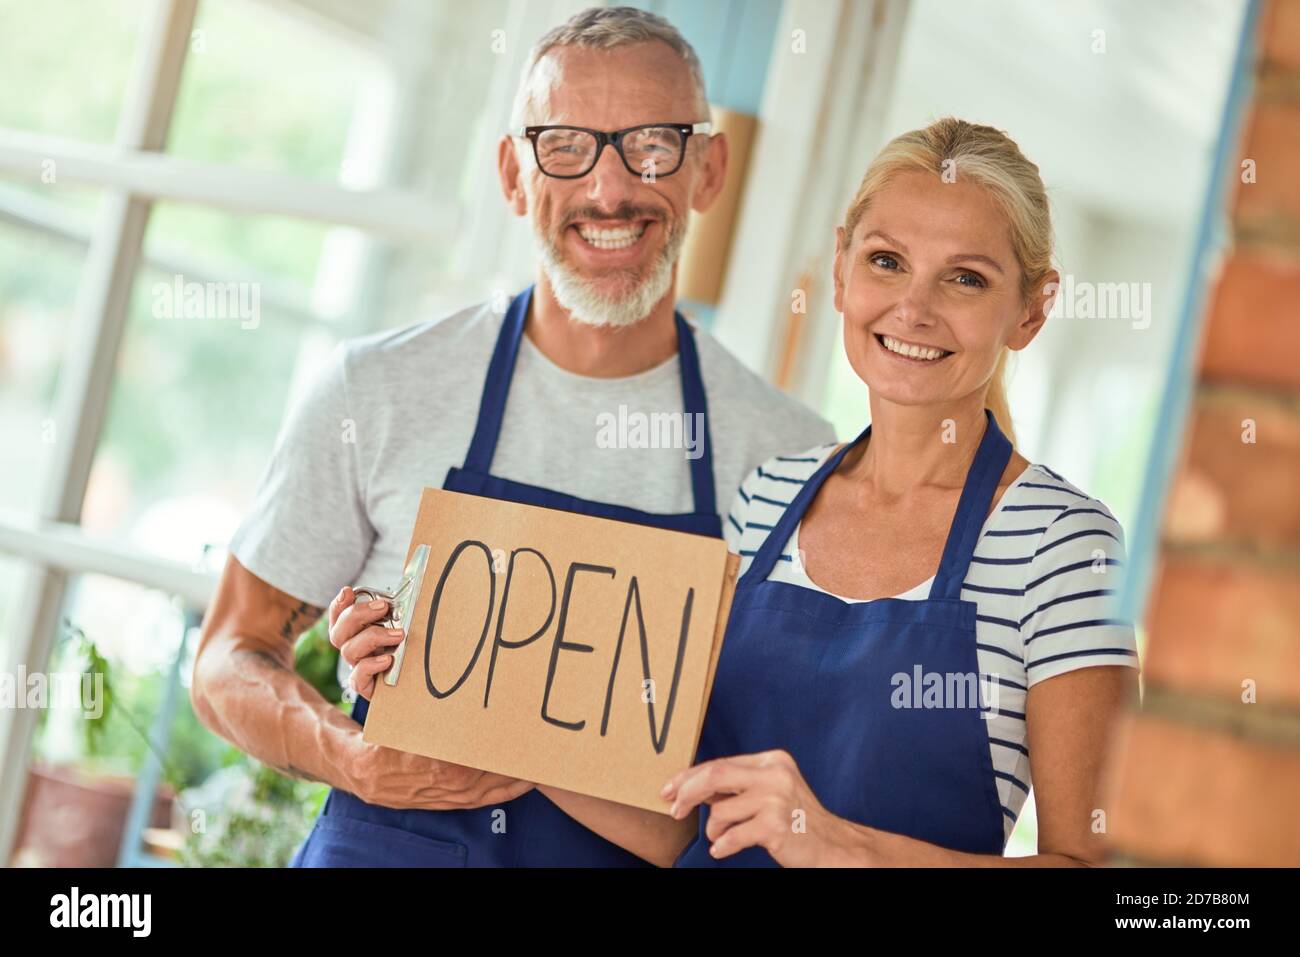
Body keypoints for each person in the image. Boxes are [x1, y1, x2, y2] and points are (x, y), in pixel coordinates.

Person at [190, 6, 833, 868]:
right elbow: (228, 657)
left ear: (708, 170)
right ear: (512, 172)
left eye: (652, 144)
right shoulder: (378, 388)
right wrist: (353, 754)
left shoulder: (793, 457)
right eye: (566, 145)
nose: (609, 190)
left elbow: (772, 787)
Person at [450, 117, 1141, 866]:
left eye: (965, 277)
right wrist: (453, 680)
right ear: (841, 268)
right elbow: (684, 821)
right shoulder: (769, 496)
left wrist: (838, 844)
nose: (913, 308)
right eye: (886, 261)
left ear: (1033, 309)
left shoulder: (1062, 546)